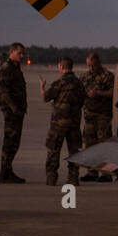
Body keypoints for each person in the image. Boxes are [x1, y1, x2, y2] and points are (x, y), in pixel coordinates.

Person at [40, 58, 85, 186]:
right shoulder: (79, 83)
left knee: (53, 150)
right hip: (74, 123)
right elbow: (83, 100)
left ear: (61, 67)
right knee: (74, 151)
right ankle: (73, 178)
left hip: (58, 123)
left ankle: (51, 177)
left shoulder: (59, 82)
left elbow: (46, 97)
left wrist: (42, 88)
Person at [80, 52, 115, 181]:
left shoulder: (107, 76)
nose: (91, 69)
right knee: (90, 144)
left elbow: (113, 93)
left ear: (99, 64)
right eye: (89, 66)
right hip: (89, 115)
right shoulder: (84, 76)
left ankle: (106, 173)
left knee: (104, 144)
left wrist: (98, 93)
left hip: (103, 115)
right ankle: (92, 172)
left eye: (93, 66)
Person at [0, 43, 28, 183]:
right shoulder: (7, 68)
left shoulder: (15, 68)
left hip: (17, 111)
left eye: (23, 53)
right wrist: (13, 108)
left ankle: (7, 170)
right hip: (12, 112)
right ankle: (5, 172)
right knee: (10, 142)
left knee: (14, 142)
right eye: (19, 53)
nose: (22, 56)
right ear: (11, 52)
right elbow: (4, 92)